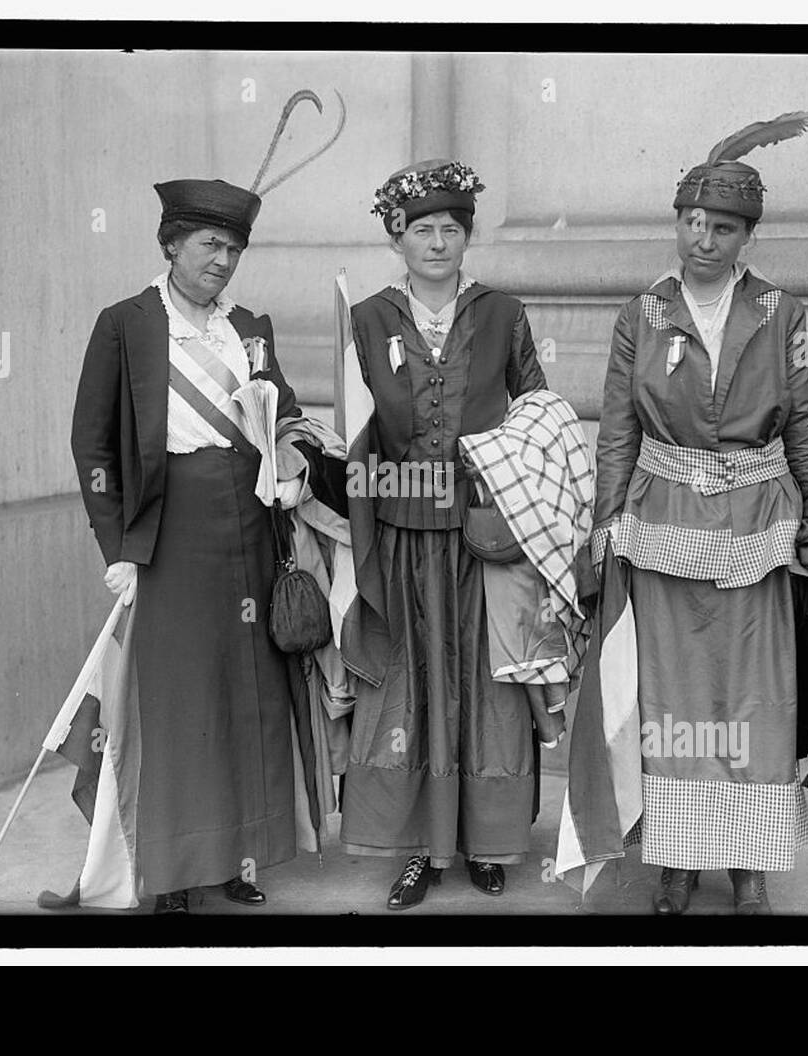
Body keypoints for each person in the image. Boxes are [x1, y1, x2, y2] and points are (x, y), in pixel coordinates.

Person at [590, 113, 808, 915]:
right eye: (692, 221)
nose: (703, 239)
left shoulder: (780, 315)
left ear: (745, 236)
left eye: (722, 227)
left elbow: (802, 419)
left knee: (755, 700)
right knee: (674, 700)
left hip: (759, 527)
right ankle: (676, 862)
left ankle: (750, 865)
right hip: (661, 522)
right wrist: (604, 523)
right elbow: (619, 428)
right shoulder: (641, 314)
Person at [70, 178, 304, 914]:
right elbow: (94, 442)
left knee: (247, 697)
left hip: (249, 524)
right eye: (210, 245)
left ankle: (236, 856)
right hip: (170, 531)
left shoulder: (249, 327)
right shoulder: (127, 324)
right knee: (177, 705)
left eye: (234, 248)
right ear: (170, 244)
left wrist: (293, 459)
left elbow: (286, 415)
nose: (223, 261)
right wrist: (117, 546)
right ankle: (172, 872)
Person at [338, 158, 550, 909]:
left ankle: (487, 843)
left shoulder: (503, 313)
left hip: (485, 537)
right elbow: (354, 438)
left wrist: (523, 503)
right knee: (412, 688)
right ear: (398, 236)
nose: (437, 242)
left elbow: (538, 415)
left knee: (488, 685)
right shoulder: (365, 318)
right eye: (422, 229)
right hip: (403, 540)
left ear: (468, 236)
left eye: (450, 229)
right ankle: (419, 852)